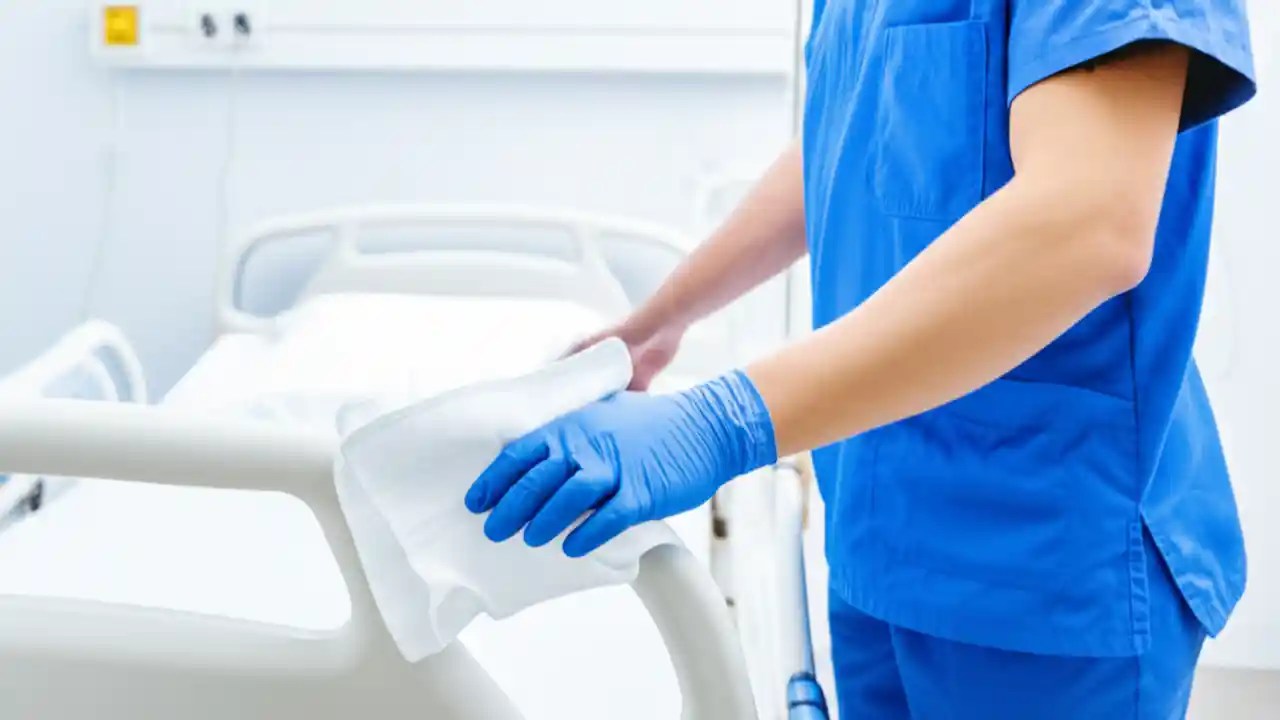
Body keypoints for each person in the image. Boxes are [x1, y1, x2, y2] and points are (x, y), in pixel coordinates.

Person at [464, 1, 1257, 716]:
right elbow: (856, 137)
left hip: (1047, 564)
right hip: (882, 525)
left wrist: (723, 422)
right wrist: (658, 323)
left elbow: (1088, 222)